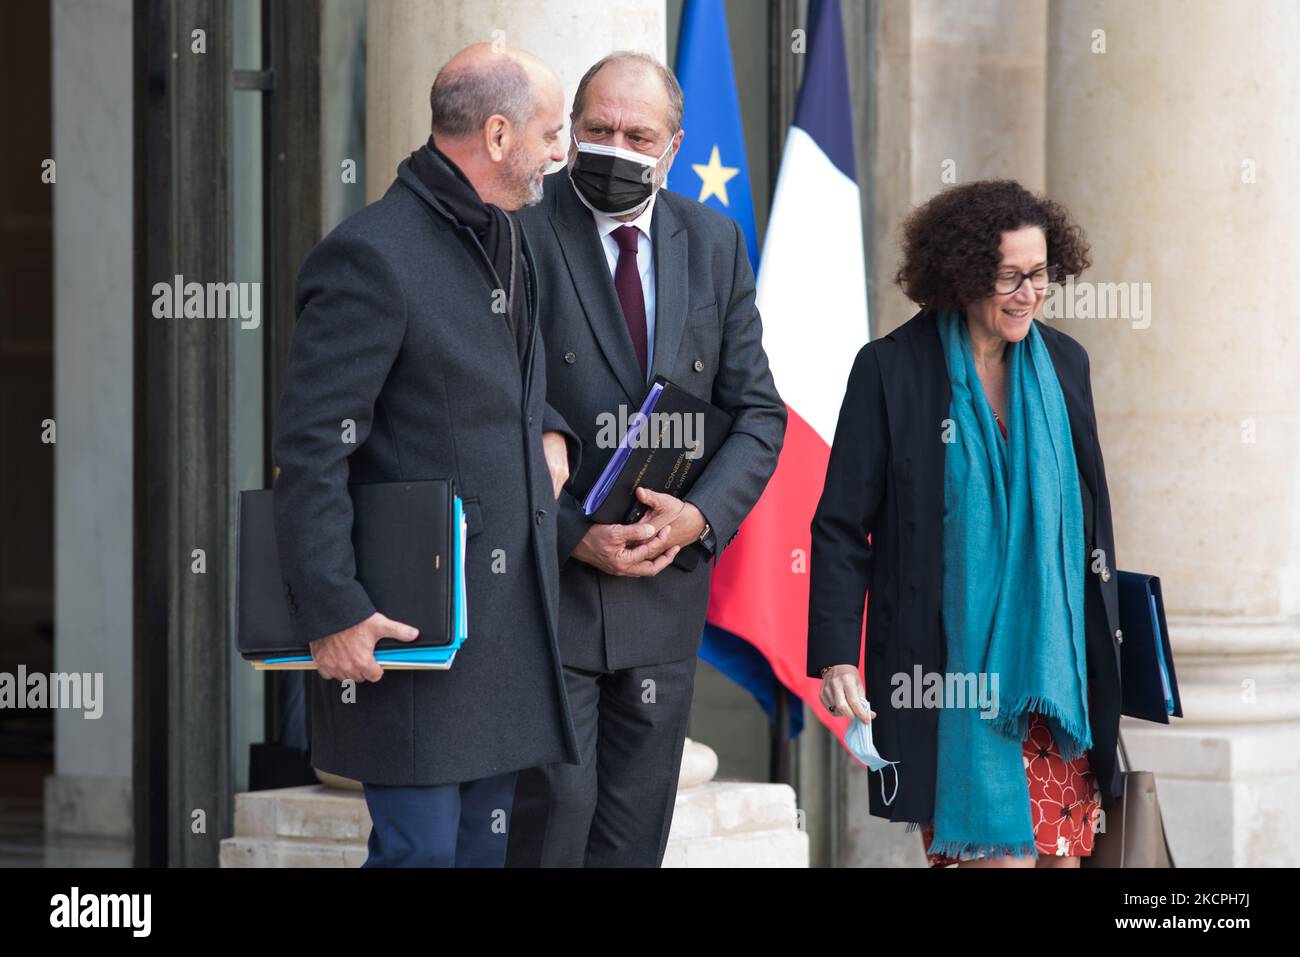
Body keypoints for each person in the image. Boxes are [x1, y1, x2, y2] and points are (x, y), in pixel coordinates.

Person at [271, 42, 581, 868]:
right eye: (553, 134)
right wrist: (332, 606)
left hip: (504, 630)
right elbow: (310, 447)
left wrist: (551, 427)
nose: (563, 153)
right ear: (499, 133)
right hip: (410, 625)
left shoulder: (509, 239)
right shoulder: (371, 253)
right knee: (422, 858)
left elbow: (488, 380)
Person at [506, 52, 786, 867]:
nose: (616, 145)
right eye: (598, 129)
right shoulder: (517, 232)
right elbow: (490, 410)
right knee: (550, 827)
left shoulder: (713, 240)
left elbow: (756, 411)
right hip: (546, 595)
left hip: (664, 599)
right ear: (569, 134)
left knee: (633, 844)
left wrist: (699, 517)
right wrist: (568, 530)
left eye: (638, 133)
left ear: (673, 146)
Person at [808, 179, 1124, 867]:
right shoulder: (891, 370)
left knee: (1061, 860)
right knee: (993, 860)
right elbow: (839, 525)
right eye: (1008, 276)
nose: (1028, 293)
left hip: (1052, 683)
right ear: (961, 273)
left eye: (1039, 274)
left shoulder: (1065, 364)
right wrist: (837, 653)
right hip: (949, 674)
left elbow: (1088, 520)